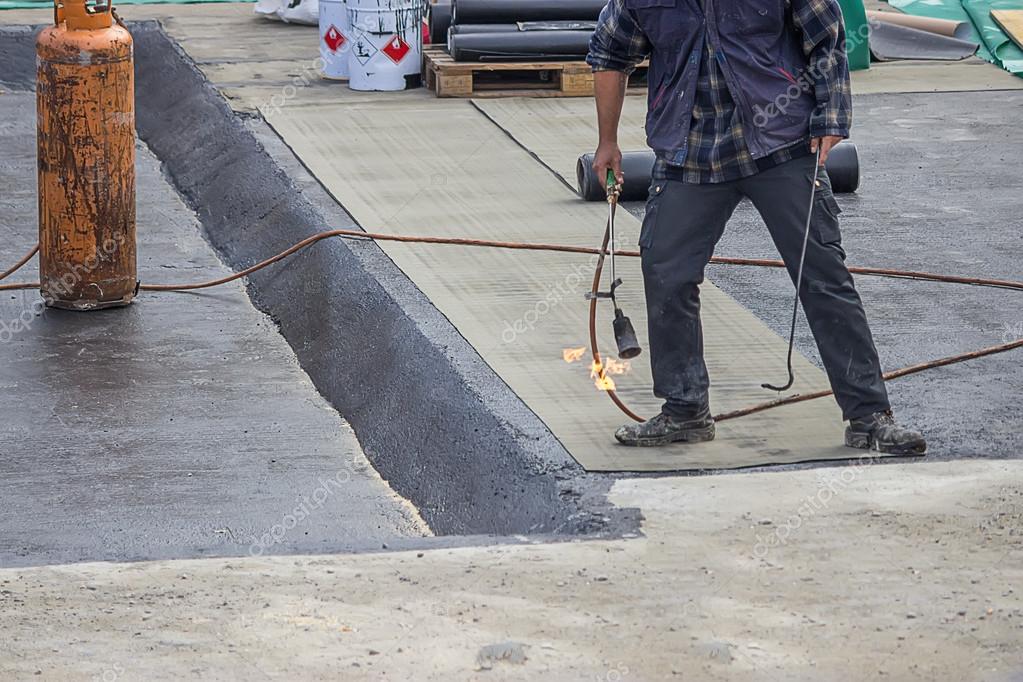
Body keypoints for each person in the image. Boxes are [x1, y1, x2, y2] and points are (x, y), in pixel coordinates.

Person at [586, 0, 926, 454]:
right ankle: (685, 409)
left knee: (822, 276)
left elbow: (826, 37)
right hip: (690, 150)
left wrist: (831, 116)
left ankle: (869, 416)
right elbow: (610, 53)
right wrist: (607, 142)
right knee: (666, 271)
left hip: (781, 142)